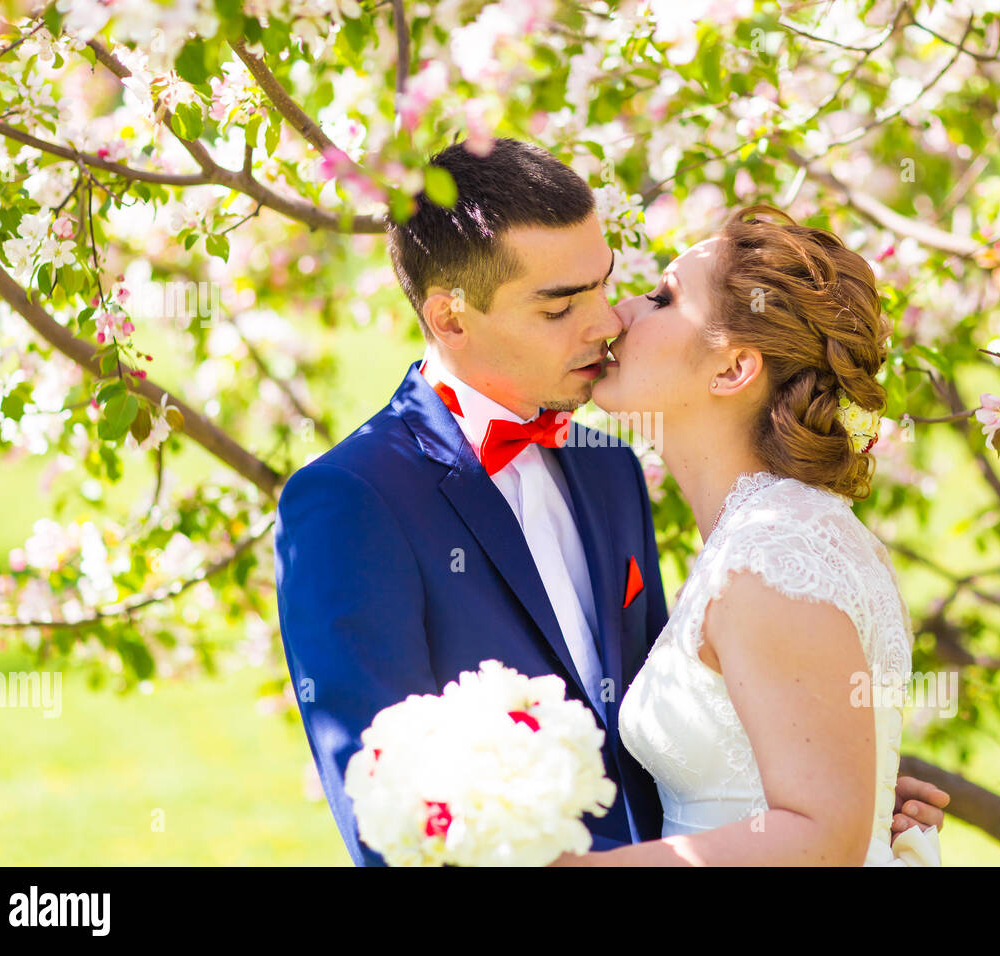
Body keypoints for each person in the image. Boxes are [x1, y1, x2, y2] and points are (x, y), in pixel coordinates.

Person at [273, 139, 947, 865]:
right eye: (562, 306)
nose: (607, 322)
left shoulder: (610, 469)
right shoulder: (351, 504)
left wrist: (825, 794)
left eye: (607, 285)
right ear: (452, 319)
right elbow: (390, 816)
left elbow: (667, 743)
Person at [552, 204, 940, 865]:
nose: (620, 315)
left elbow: (821, 837)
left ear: (733, 369)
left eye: (662, 298)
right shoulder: (767, 537)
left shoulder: (773, 556)